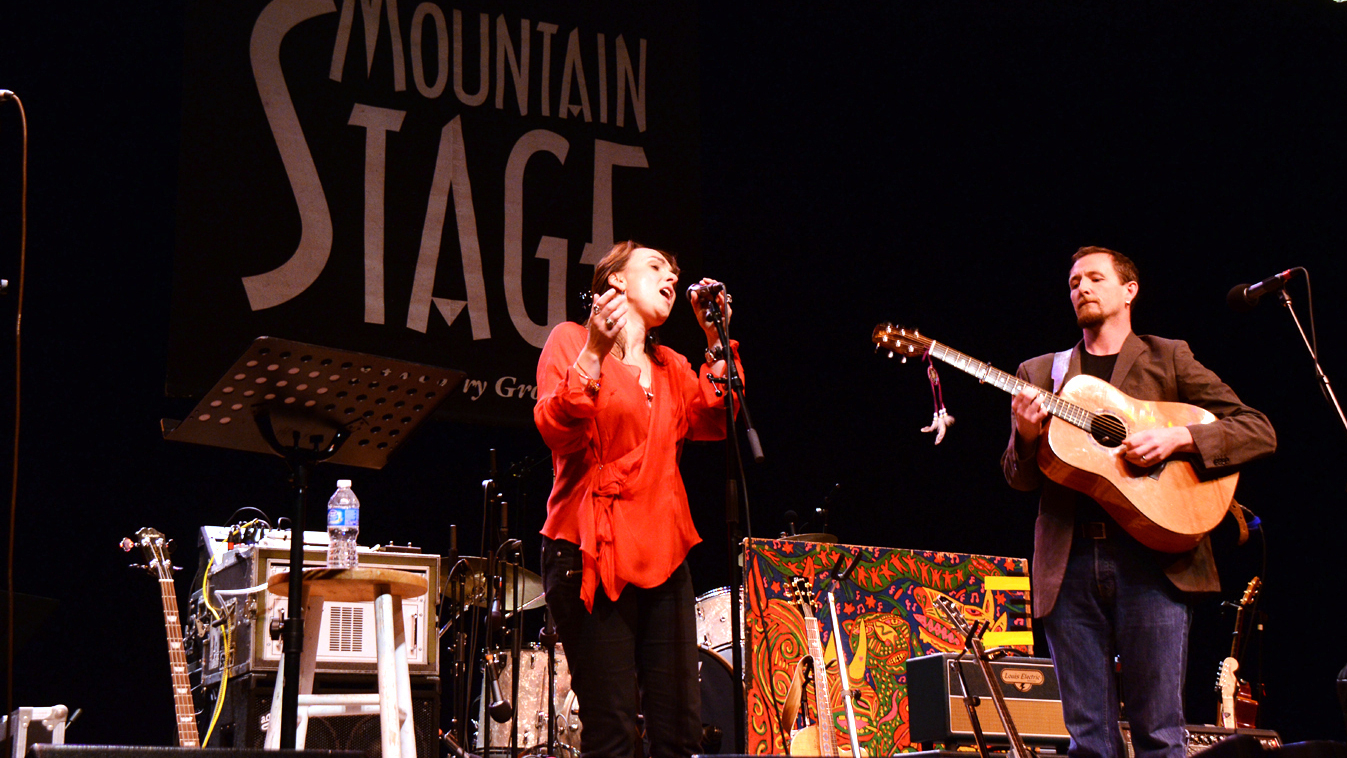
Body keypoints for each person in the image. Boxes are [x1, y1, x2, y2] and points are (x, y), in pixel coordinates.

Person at [1002, 246, 1275, 758]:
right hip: (1069, 565)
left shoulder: (1168, 356)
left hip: (1154, 564)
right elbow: (1018, 478)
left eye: (1095, 278)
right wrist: (1026, 435)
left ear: (1129, 291)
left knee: (1160, 734)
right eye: (1074, 282)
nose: (1082, 288)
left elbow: (1256, 429)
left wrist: (1179, 438)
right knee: (1089, 741)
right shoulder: (1040, 372)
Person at [534, 240, 740, 758]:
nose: (671, 277)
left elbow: (718, 417)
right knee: (613, 733)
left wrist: (716, 337)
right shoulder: (570, 340)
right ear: (617, 280)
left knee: (680, 731)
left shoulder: (671, 366)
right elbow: (556, 428)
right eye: (655, 267)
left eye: (674, 272)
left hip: (664, 557)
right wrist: (594, 353)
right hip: (591, 551)